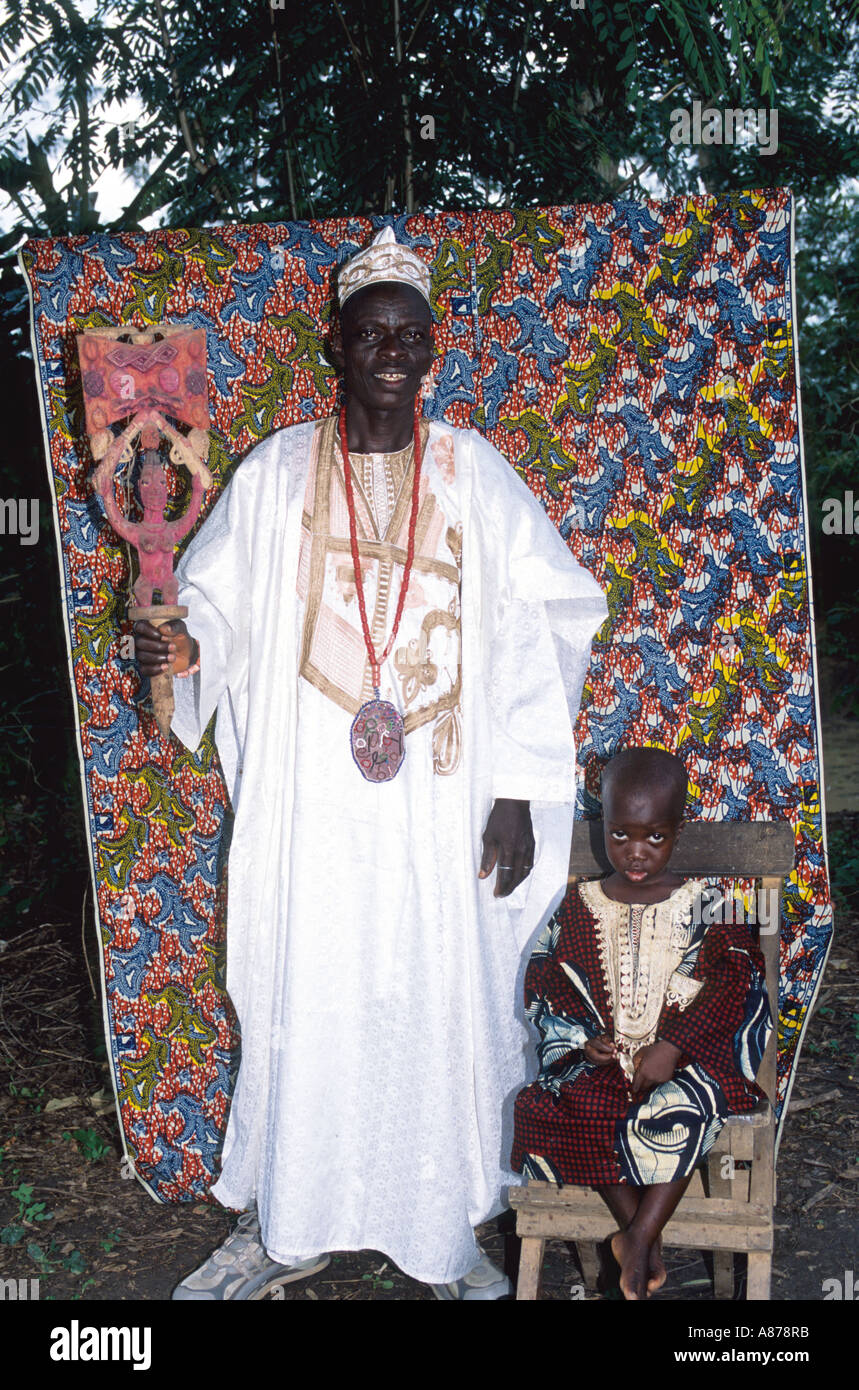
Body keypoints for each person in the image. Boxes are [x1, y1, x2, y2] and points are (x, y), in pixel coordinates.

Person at [134, 226, 607, 1299]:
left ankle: (441, 1228)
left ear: (431, 348)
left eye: (408, 334)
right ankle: (291, 1219)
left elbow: (542, 624)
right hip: (315, 798)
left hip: (443, 791)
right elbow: (218, 611)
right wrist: (186, 647)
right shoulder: (271, 476)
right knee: (313, 982)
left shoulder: (475, 474)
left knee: (437, 991)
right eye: (368, 334)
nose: (389, 350)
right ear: (335, 348)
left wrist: (520, 785)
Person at [511, 747, 772, 1300]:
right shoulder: (577, 907)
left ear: (678, 828)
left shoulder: (708, 904)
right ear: (602, 822)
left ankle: (638, 1236)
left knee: (689, 1105)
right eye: (620, 834)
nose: (635, 852)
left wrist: (674, 1045)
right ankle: (640, 1241)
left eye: (654, 837)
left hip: (683, 1062)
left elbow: (738, 978)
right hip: (605, 1065)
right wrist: (585, 1043)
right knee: (558, 1101)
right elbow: (546, 982)